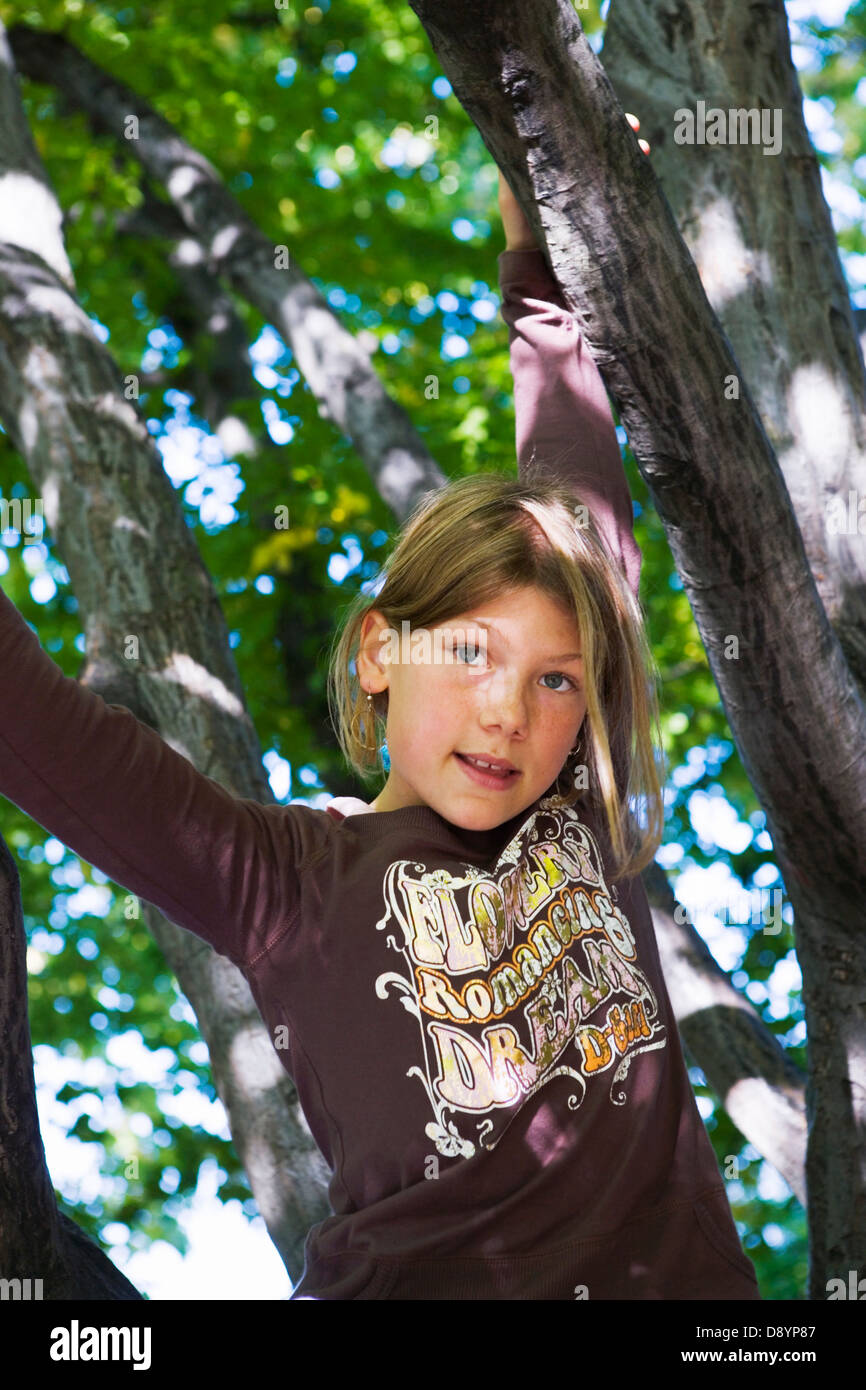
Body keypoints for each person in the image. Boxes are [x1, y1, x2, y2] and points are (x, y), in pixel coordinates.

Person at [0, 147, 761, 1301]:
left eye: (556, 681)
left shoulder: (573, 817)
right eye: (469, 656)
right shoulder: (281, 876)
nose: (509, 708)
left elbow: (570, 458)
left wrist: (532, 205)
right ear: (378, 654)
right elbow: (41, 725)